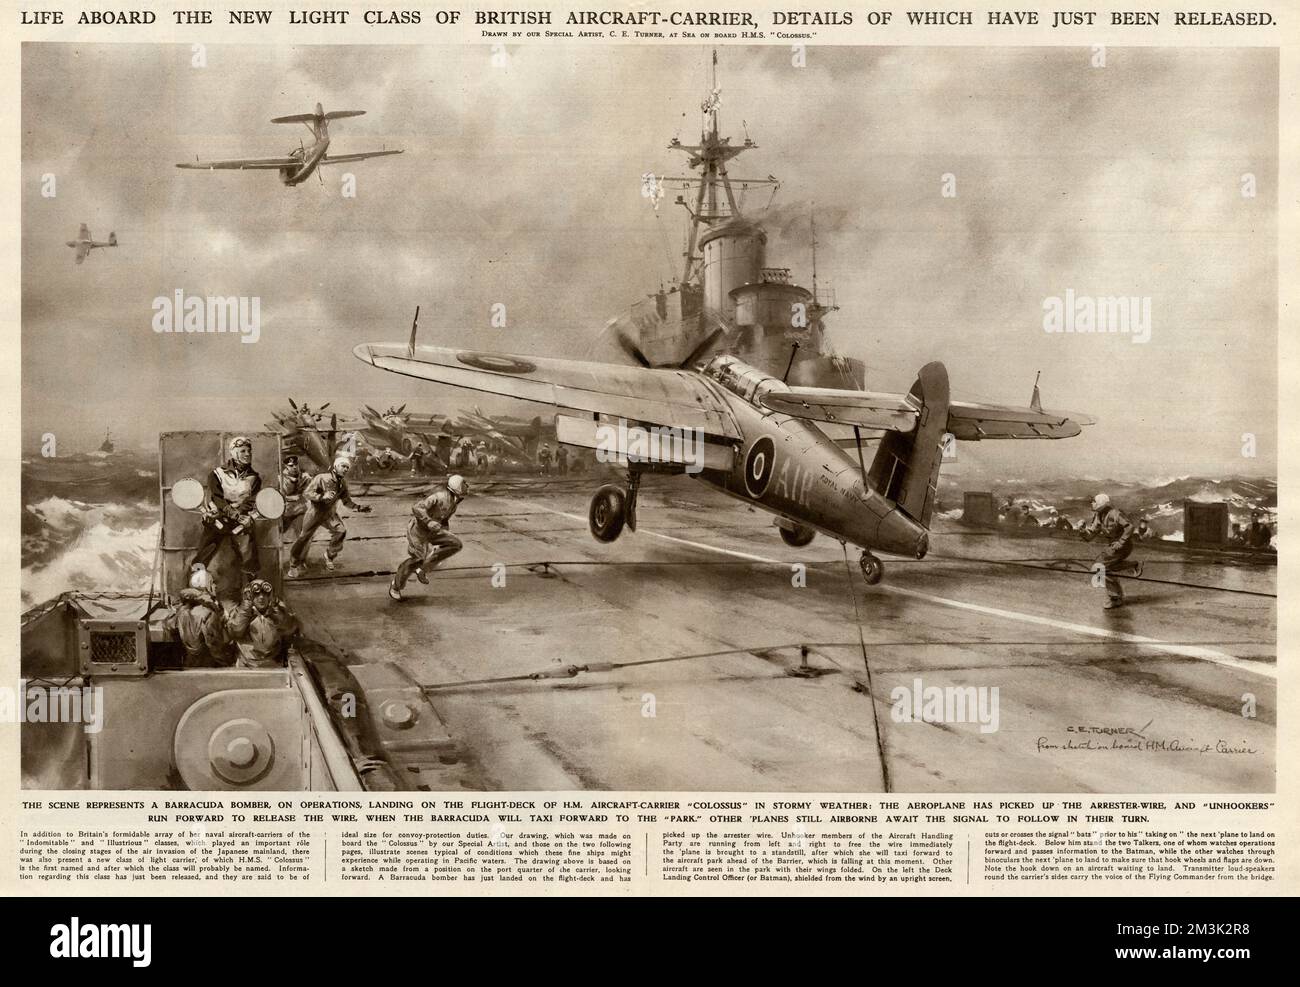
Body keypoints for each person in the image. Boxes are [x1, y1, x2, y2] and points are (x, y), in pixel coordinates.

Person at [192, 435, 263, 589]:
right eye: (243, 451)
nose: (247, 454)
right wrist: (230, 512)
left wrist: (242, 515)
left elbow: (252, 500)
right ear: (233, 453)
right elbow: (217, 498)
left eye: (249, 451)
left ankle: (253, 590)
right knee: (204, 551)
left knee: (249, 553)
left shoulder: (255, 478)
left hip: (240, 520)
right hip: (219, 519)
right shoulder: (216, 474)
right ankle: (195, 589)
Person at [287, 455, 372, 577]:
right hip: (315, 512)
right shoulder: (321, 478)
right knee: (303, 538)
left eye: (347, 467)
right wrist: (322, 497)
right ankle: (293, 565)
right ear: (336, 466)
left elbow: (346, 501)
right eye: (343, 466)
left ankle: (329, 555)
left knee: (341, 531)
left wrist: (359, 508)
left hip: (329, 514)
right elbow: (307, 493)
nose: (345, 469)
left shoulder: (342, 483)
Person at [389, 474, 469, 601]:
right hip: (418, 531)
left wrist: (444, 533)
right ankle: (396, 586)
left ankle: (423, 569)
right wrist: (429, 521)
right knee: (418, 558)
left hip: (433, 531)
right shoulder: (439, 497)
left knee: (455, 543)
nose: (467, 486)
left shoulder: (454, 502)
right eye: (464, 483)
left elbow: (444, 519)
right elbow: (417, 507)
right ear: (457, 487)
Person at [226, 578, 301, 669]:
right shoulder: (241, 612)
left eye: (265, 594)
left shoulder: (277, 611)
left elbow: (289, 628)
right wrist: (246, 607)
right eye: (256, 594)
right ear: (250, 596)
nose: (261, 597)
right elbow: (235, 631)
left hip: (273, 663)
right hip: (246, 664)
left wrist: (275, 609)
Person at [1080, 492, 1137, 610]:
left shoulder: (1115, 513)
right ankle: (1132, 566)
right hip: (1112, 546)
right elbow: (1090, 536)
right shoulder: (1098, 515)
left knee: (1099, 566)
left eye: (1094, 501)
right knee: (1104, 568)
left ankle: (1116, 598)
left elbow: (1130, 526)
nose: (1092, 503)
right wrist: (1082, 530)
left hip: (1123, 546)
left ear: (1100, 503)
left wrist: (1121, 542)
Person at [174, 563, 232, 667]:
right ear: (206, 587)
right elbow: (214, 646)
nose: (215, 586)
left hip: (189, 663)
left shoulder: (183, 611)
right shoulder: (209, 614)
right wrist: (225, 663)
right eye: (212, 583)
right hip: (207, 664)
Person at [278, 455, 310, 539]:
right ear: (286, 466)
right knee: (278, 533)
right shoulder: (281, 478)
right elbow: (280, 496)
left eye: (296, 464)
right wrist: (292, 497)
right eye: (291, 466)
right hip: (286, 511)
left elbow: (309, 492)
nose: (295, 467)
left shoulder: (305, 477)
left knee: (302, 535)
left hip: (300, 509)